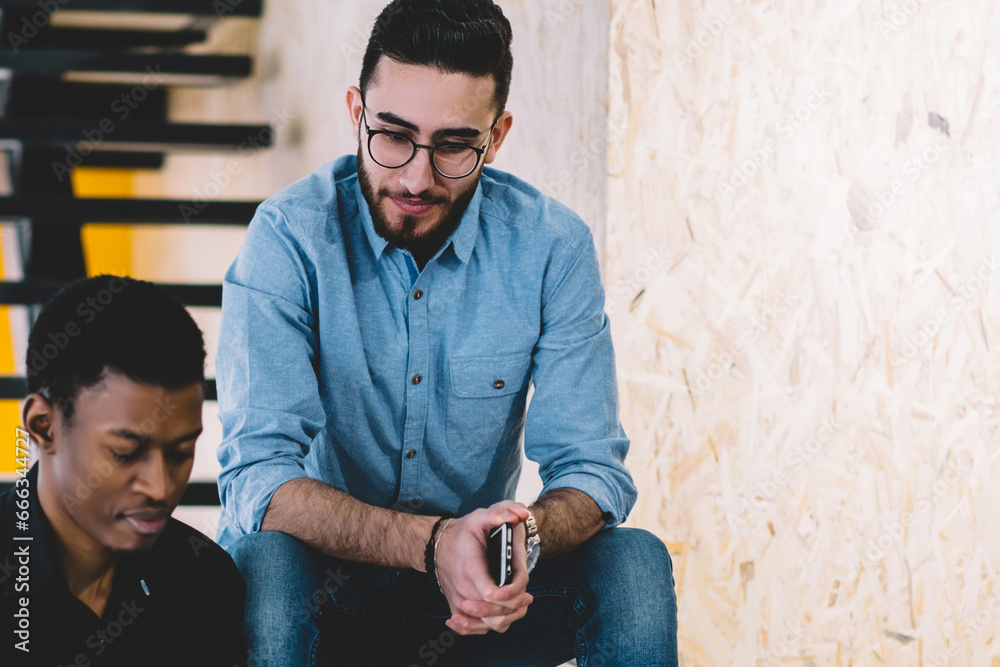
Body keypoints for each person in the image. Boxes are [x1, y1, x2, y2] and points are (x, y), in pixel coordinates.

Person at [216, 1, 678, 665]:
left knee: (633, 564)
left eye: (455, 145)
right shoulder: (287, 239)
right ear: (357, 112)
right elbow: (259, 481)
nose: (415, 176)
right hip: (327, 597)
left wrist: (518, 540)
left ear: (498, 136)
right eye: (394, 135)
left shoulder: (552, 248)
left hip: (480, 600)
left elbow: (592, 470)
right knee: (264, 561)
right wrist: (433, 542)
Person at [2, 275, 247, 667]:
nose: (161, 487)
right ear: (43, 425)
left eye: (182, 452)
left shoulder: (207, 586)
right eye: (125, 453)